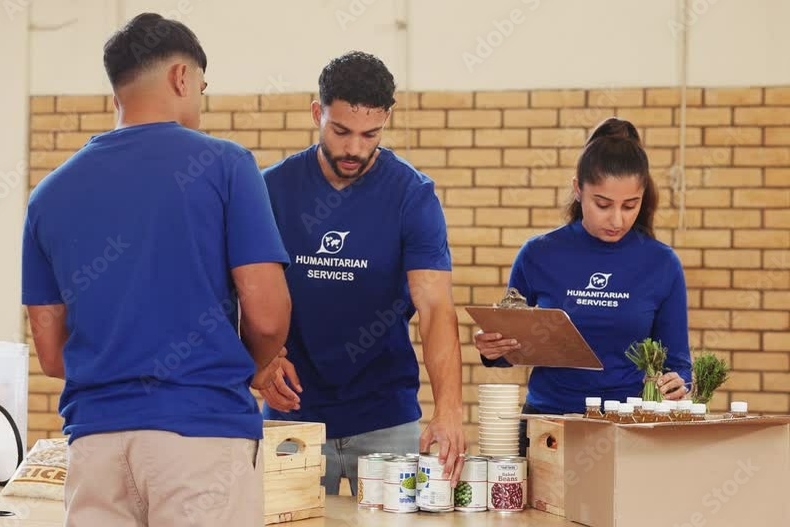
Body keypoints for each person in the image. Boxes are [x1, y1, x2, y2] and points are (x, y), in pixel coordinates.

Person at [21, 13, 291, 527]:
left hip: (95, 446)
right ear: (181, 77)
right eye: (202, 89)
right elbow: (269, 316)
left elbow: (52, 354)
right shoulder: (227, 165)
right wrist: (255, 364)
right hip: (202, 439)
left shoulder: (49, 194)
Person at [259, 51, 466, 494]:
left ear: (387, 119)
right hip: (292, 417)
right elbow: (234, 292)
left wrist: (449, 408)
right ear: (318, 113)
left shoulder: (413, 195)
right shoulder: (270, 190)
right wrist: (259, 360)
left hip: (385, 416)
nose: (354, 148)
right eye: (341, 131)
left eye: (370, 133)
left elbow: (434, 308)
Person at [475, 117, 692, 455]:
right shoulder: (538, 254)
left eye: (630, 205)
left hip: (630, 427)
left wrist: (678, 385)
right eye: (603, 204)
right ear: (578, 189)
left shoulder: (662, 264)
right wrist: (494, 350)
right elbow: (513, 349)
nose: (617, 219)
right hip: (548, 425)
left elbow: (678, 363)